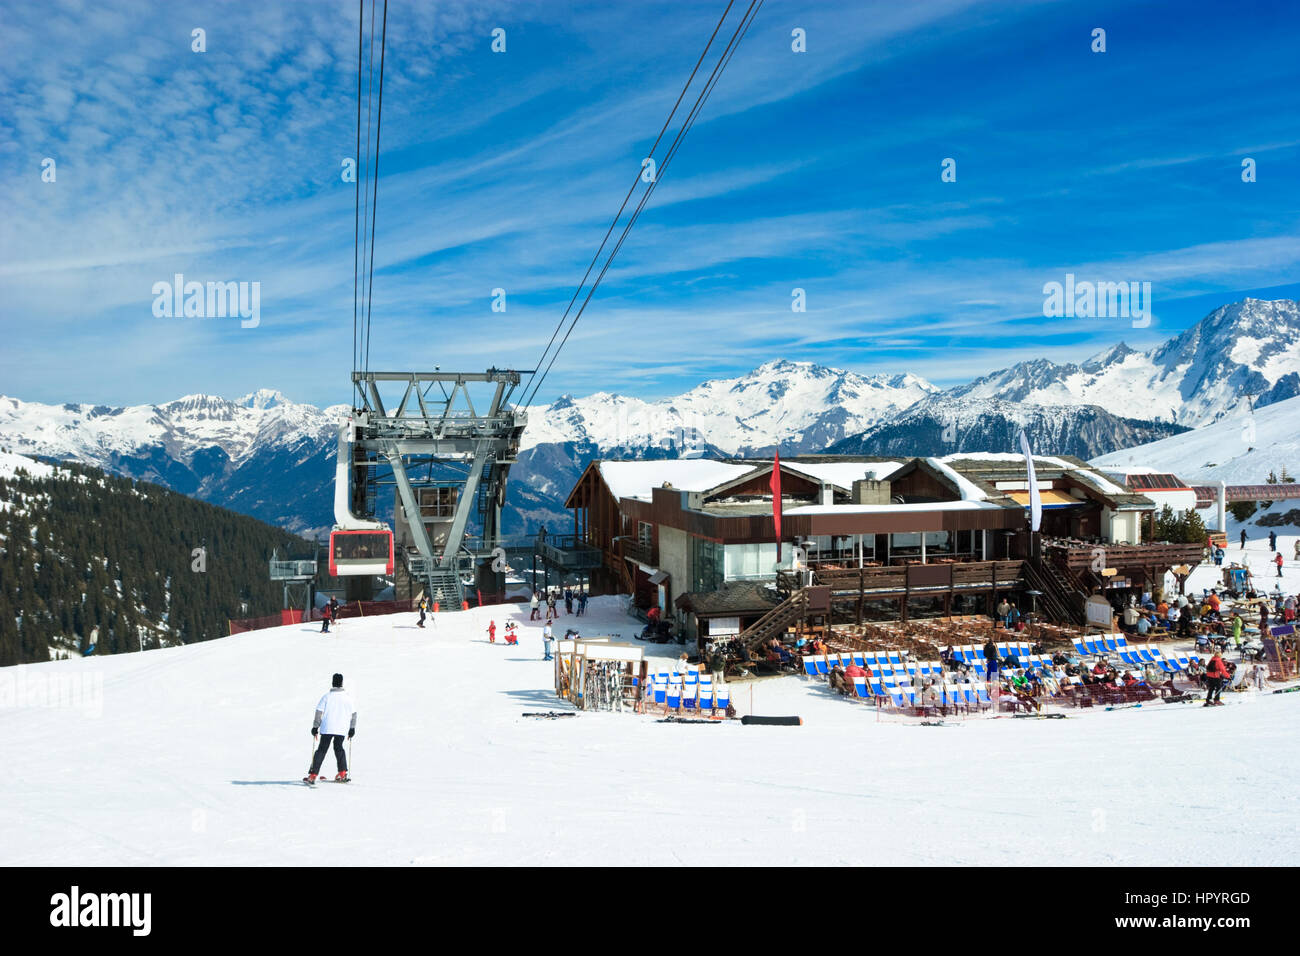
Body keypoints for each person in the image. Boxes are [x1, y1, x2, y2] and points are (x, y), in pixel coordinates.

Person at [305, 673, 356, 785]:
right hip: (341, 729)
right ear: (342, 683)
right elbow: (353, 714)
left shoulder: (327, 696)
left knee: (322, 750)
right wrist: (352, 729)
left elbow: (319, 712)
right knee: (339, 749)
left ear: (333, 682)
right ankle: (342, 773)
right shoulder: (348, 698)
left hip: (327, 728)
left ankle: (313, 775)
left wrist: (315, 727)